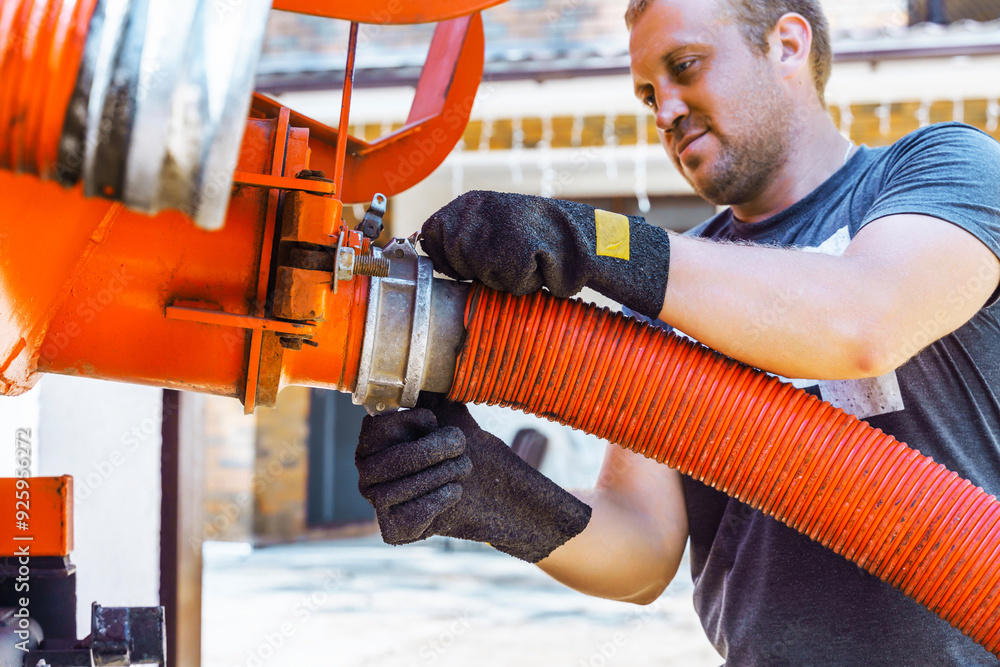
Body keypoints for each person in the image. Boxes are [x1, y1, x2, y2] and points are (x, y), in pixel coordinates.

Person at [353, 0, 1000, 663]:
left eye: (685, 67)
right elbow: (643, 551)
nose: (664, 112)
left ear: (787, 44)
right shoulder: (670, 297)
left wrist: (602, 243)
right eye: (647, 93)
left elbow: (863, 320)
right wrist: (488, 489)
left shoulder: (944, 170)